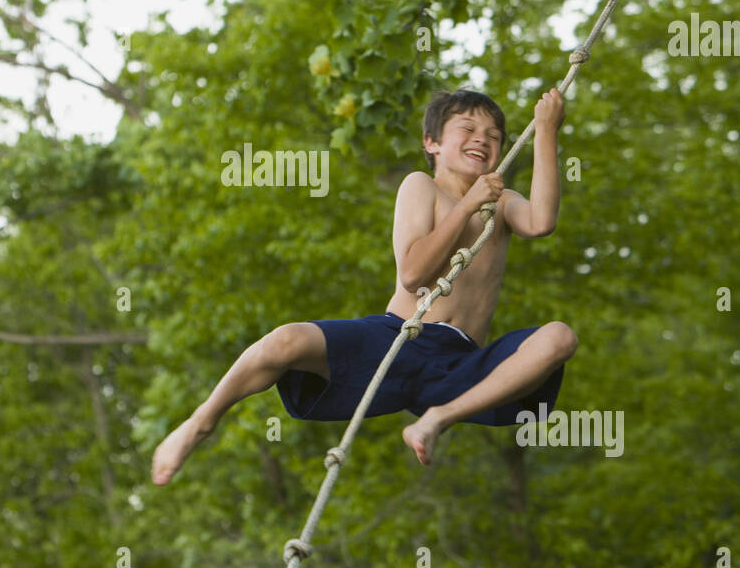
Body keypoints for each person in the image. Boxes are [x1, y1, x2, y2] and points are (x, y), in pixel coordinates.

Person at [151, 87, 577, 485]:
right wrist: (467, 204)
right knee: (285, 342)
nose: (482, 138)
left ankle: (437, 419)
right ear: (431, 142)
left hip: (458, 363)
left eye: (494, 135)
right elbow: (413, 273)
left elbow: (542, 221)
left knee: (559, 338)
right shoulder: (421, 186)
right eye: (468, 128)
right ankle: (200, 422)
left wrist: (546, 131)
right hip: (398, 339)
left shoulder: (502, 204)